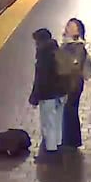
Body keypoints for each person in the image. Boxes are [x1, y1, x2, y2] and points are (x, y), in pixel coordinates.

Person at [29, 28, 68, 161]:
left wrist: (34, 98)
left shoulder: (43, 55)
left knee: (48, 124)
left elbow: (41, 79)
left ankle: (50, 154)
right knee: (57, 123)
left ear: (39, 41)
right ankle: (58, 148)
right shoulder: (57, 50)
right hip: (61, 94)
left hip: (48, 95)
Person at [60, 18, 91, 150]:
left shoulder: (77, 47)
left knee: (70, 111)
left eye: (72, 26)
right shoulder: (68, 44)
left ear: (78, 31)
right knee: (69, 111)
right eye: (68, 25)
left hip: (72, 84)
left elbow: (74, 67)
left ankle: (71, 141)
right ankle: (71, 140)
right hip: (70, 83)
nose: (68, 27)